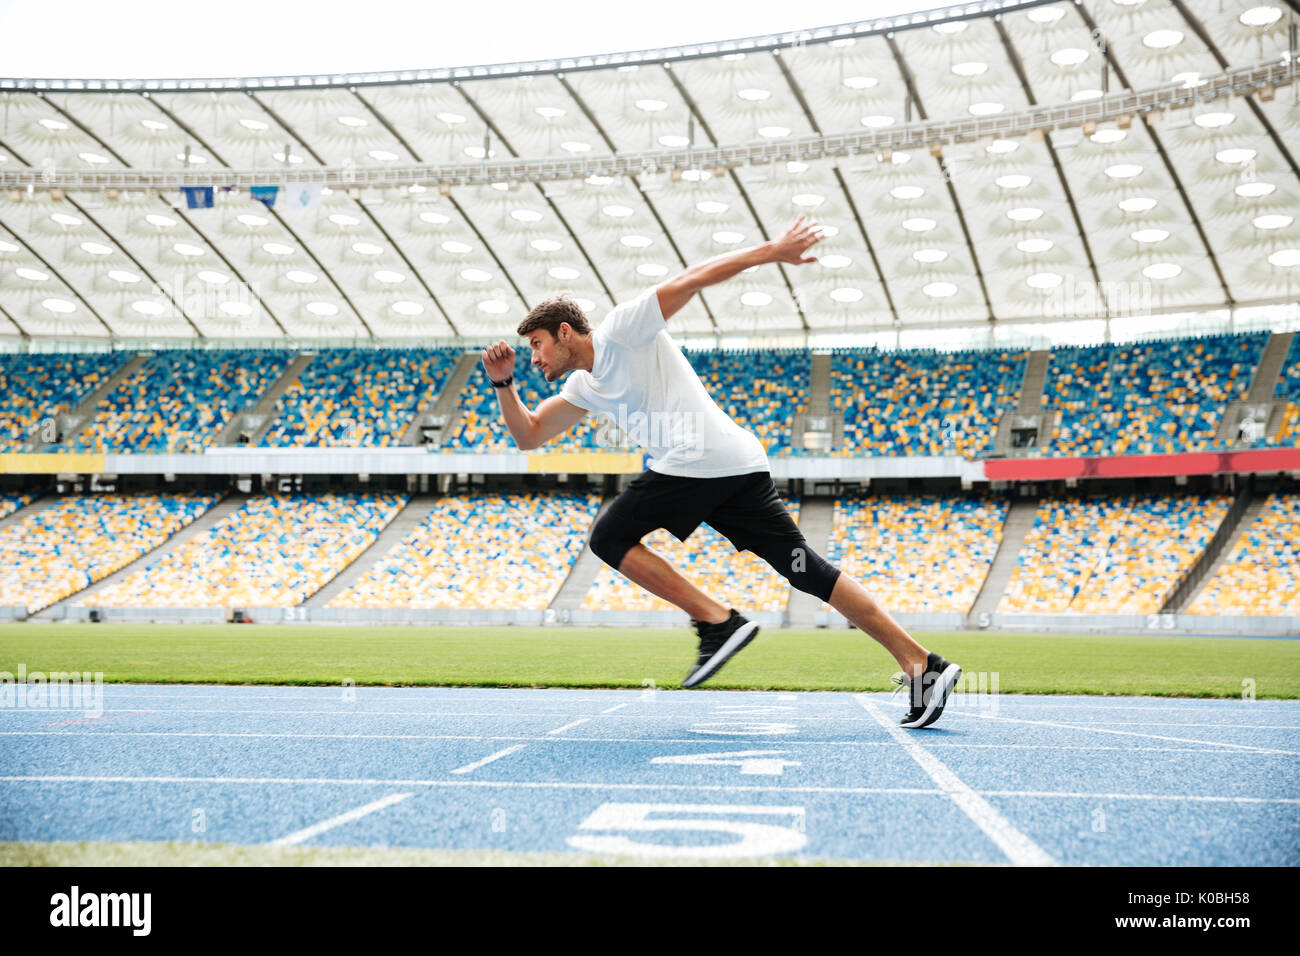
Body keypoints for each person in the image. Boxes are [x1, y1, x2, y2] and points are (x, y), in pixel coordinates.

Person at [480, 217, 961, 727]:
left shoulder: (624, 329)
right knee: (807, 571)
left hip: (697, 462)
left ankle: (718, 622)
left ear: (565, 331)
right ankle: (921, 664)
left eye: (536, 344)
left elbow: (692, 280)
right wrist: (502, 383)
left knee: (609, 536)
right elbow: (529, 435)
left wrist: (773, 251)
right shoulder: (584, 387)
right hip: (736, 468)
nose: (533, 357)